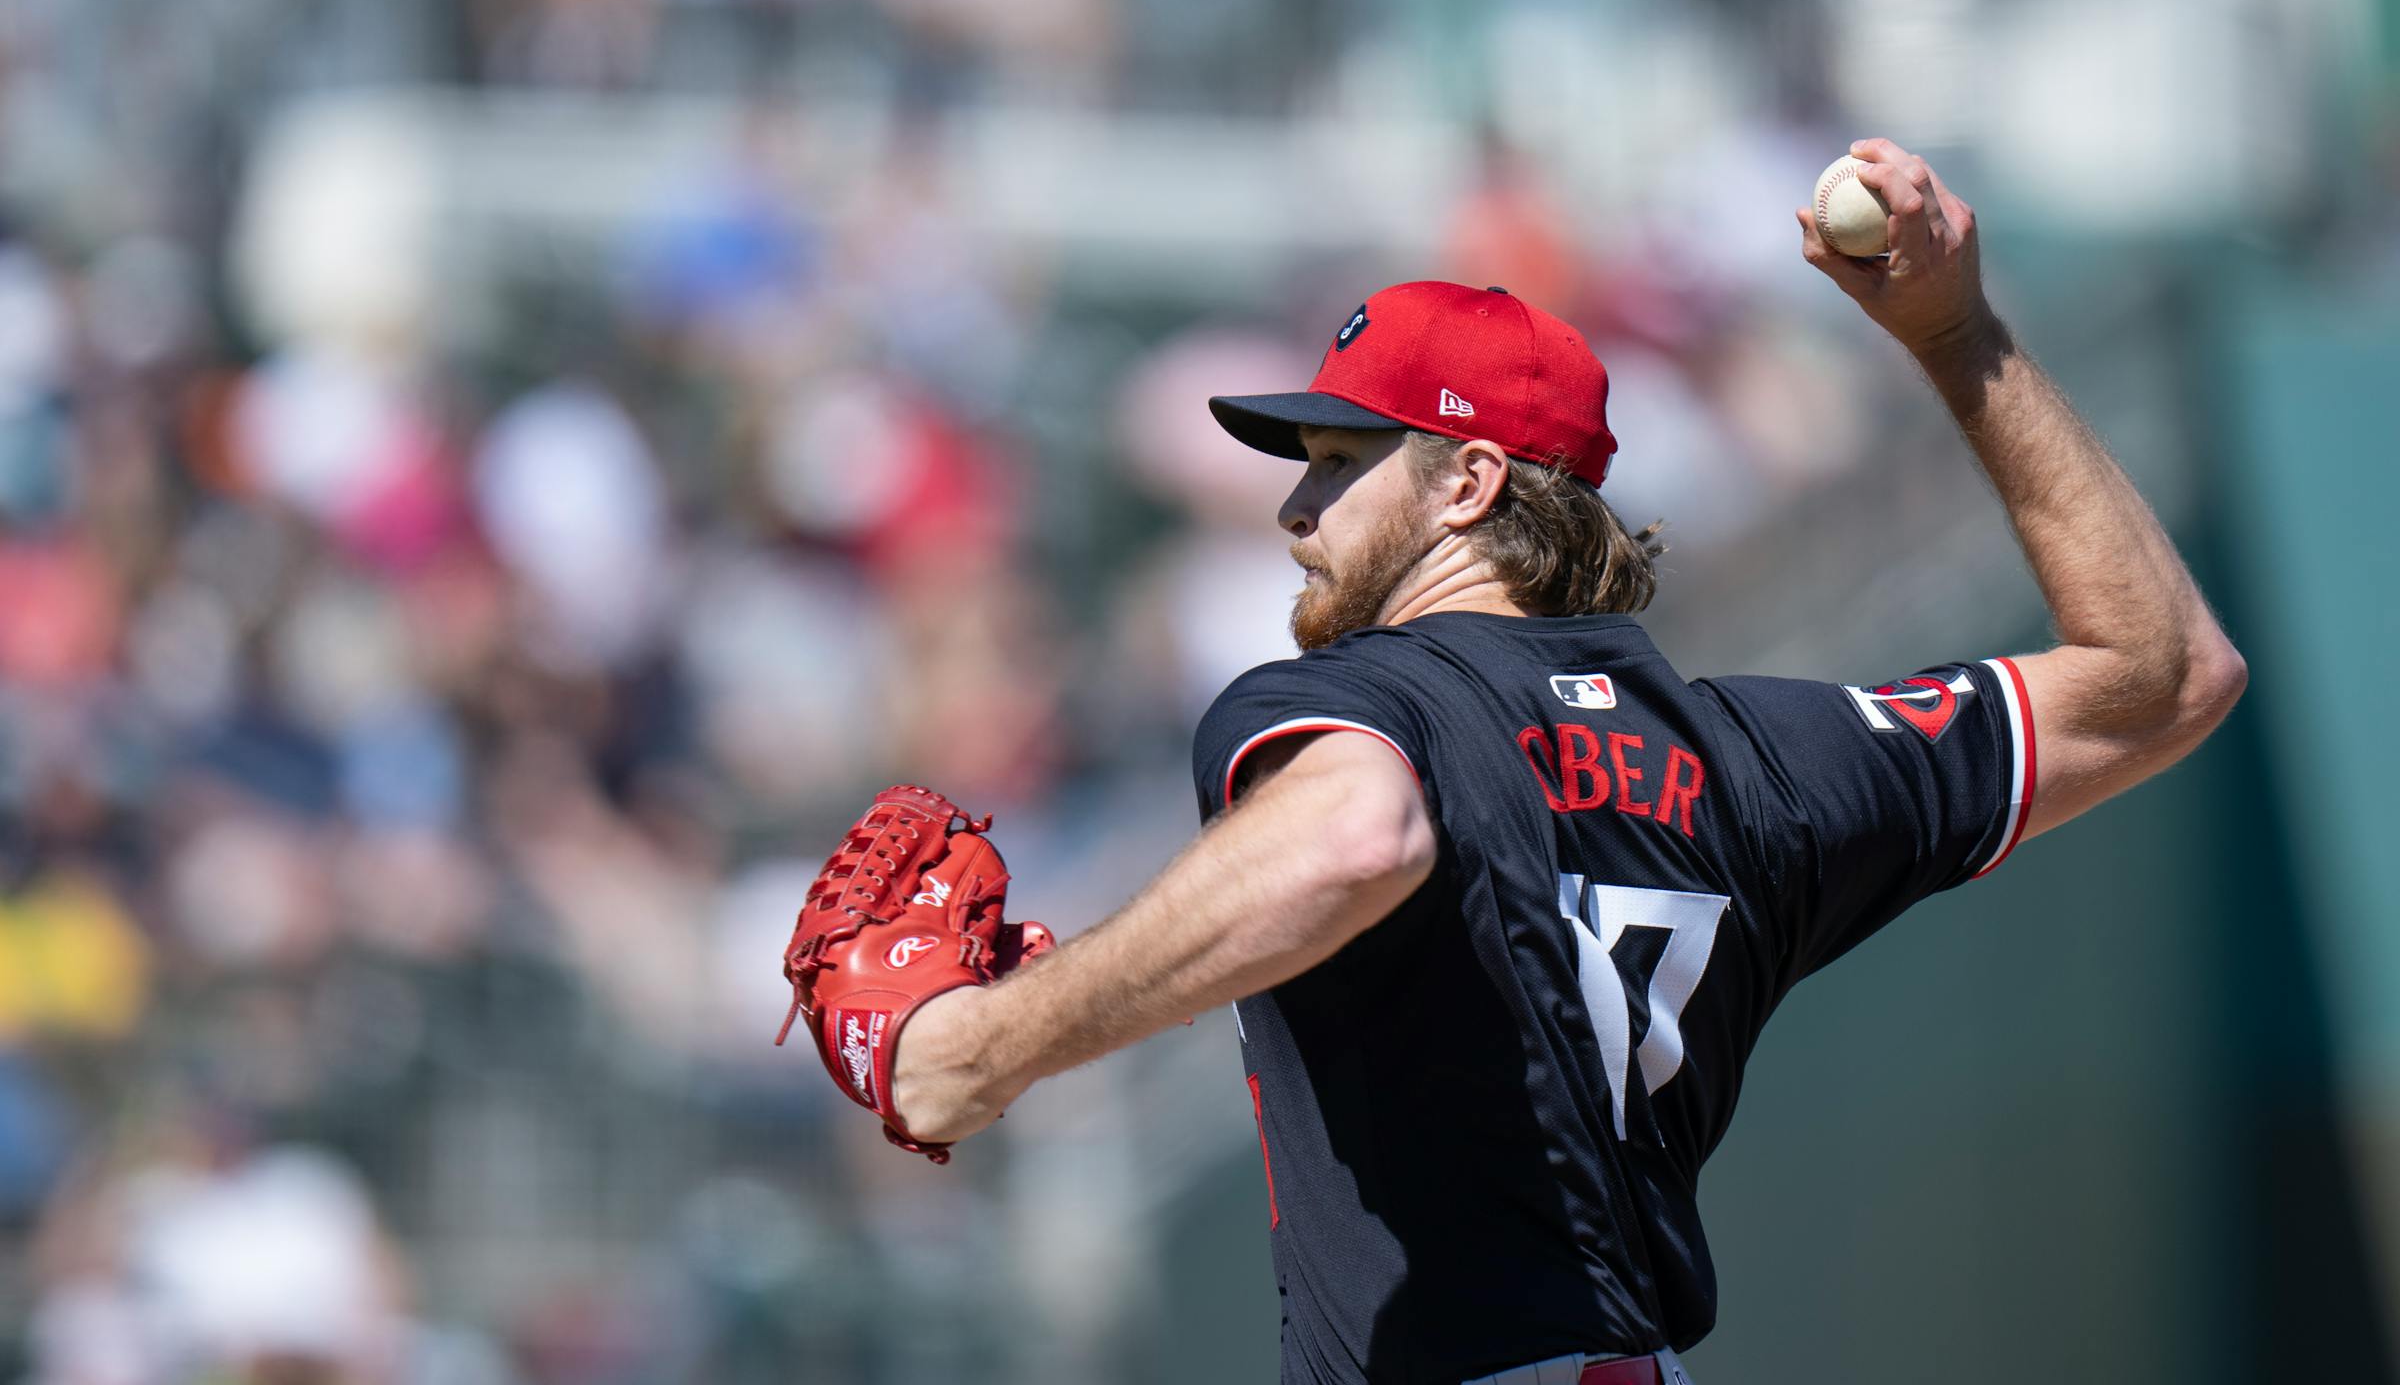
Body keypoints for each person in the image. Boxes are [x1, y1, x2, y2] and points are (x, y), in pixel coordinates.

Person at [881, 140, 2248, 1384]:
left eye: (1341, 459)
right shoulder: (1760, 754)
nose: (1295, 506)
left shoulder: (1358, 703)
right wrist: (1957, 338)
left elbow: (1357, 839)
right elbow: (2164, 679)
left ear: (1468, 486)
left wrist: (981, 1048)